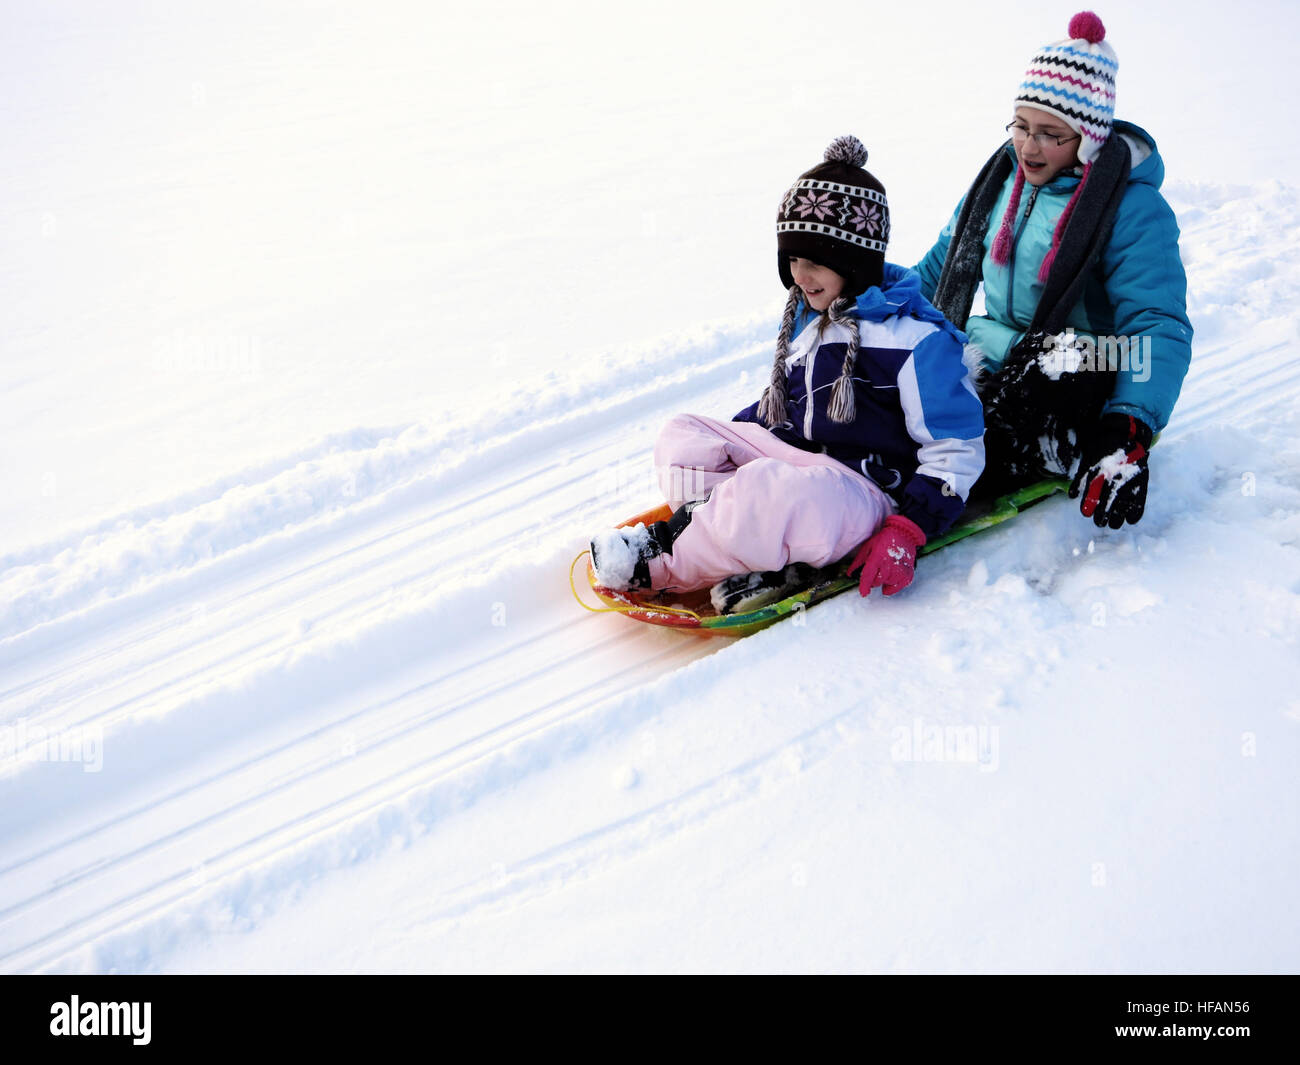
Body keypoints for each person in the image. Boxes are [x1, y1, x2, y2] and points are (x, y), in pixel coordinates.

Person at [589, 136, 985, 614]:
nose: (800, 275)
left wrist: (908, 528)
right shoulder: (811, 320)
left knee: (770, 493)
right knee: (684, 438)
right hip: (802, 469)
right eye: (792, 259)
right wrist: (737, 444)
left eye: (815, 261)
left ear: (855, 261)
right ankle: (740, 531)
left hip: (869, 496)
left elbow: (957, 452)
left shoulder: (918, 342)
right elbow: (786, 405)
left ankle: (659, 564)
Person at [914, 10, 1193, 529]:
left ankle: (960, 470)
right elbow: (936, 271)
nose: (1028, 145)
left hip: (1082, 372)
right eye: (1020, 126)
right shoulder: (998, 187)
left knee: (1055, 363)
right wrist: (863, 301)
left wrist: (1129, 424)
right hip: (999, 356)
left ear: (1086, 139)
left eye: (1049, 133)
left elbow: (1157, 325)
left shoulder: (1131, 210)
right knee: (913, 373)